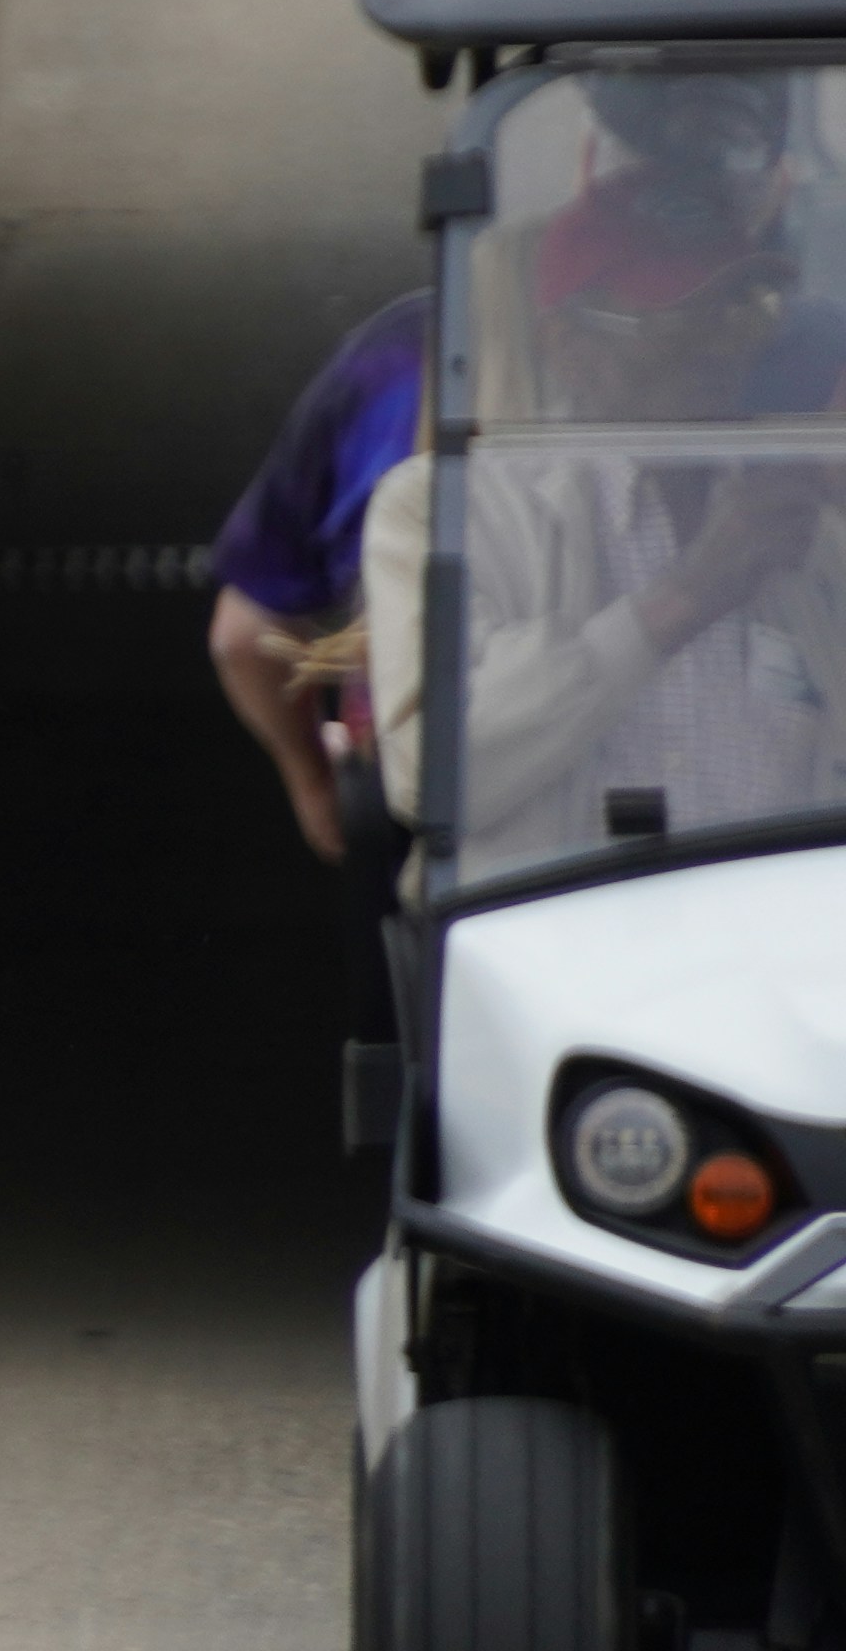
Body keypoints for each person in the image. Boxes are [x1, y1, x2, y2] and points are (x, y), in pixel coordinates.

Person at [367, 72, 846, 869]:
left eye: (738, 308)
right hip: (565, 963)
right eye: (677, 317)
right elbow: (434, 774)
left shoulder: (807, 541)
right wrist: (682, 600)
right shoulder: (446, 511)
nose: (720, 345)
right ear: (573, 350)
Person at [206, 284, 426, 1077]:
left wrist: (314, 781)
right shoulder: (784, 348)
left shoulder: (398, 354)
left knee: (425, 1100)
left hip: (423, 806)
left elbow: (244, 636)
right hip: (740, 818)